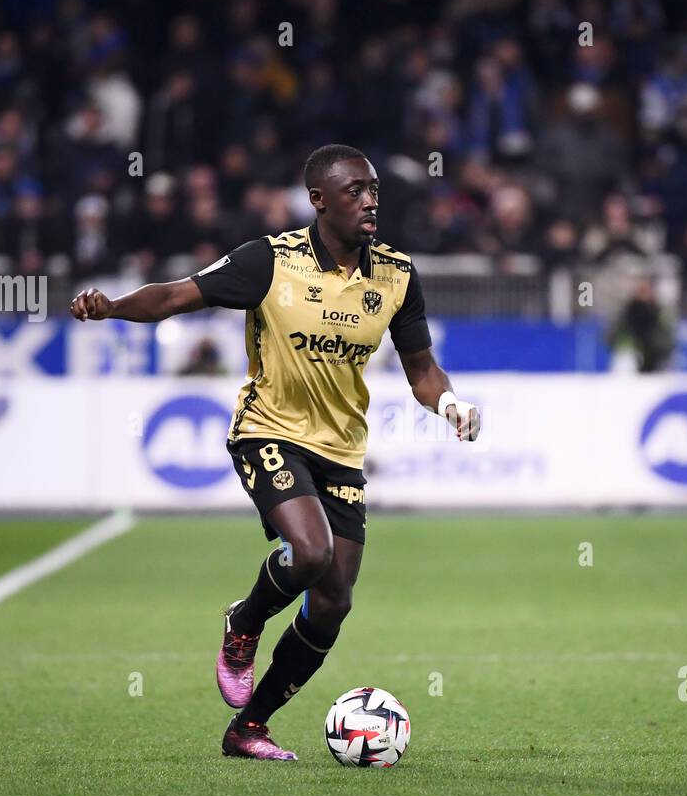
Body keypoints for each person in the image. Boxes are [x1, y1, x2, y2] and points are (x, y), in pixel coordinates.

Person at [69, 144, 480, 760]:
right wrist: (113, 307)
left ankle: (249, 727)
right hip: (268, 431)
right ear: (318, 201)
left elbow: (421, 368)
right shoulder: (271, 261)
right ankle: (245, 621)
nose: (370, 202)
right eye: (354, 192)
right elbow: (178, 296)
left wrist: (448, 404)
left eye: (374, 191)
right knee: (310, 553)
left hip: (341, 451)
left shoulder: (395, 274)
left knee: (334, 601)